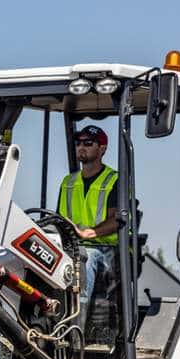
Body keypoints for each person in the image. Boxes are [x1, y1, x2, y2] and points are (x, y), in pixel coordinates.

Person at [57, 124, 119, 330]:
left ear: (102, 149)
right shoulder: (68, 182)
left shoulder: (114, 180)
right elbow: (59, 219)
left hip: (107, 250)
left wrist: (89, 233)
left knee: (86, 258)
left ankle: (75, 332)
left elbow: (117, 220)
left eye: (88, 143)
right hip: (73, 246)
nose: (81, 147)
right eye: (78, 143)